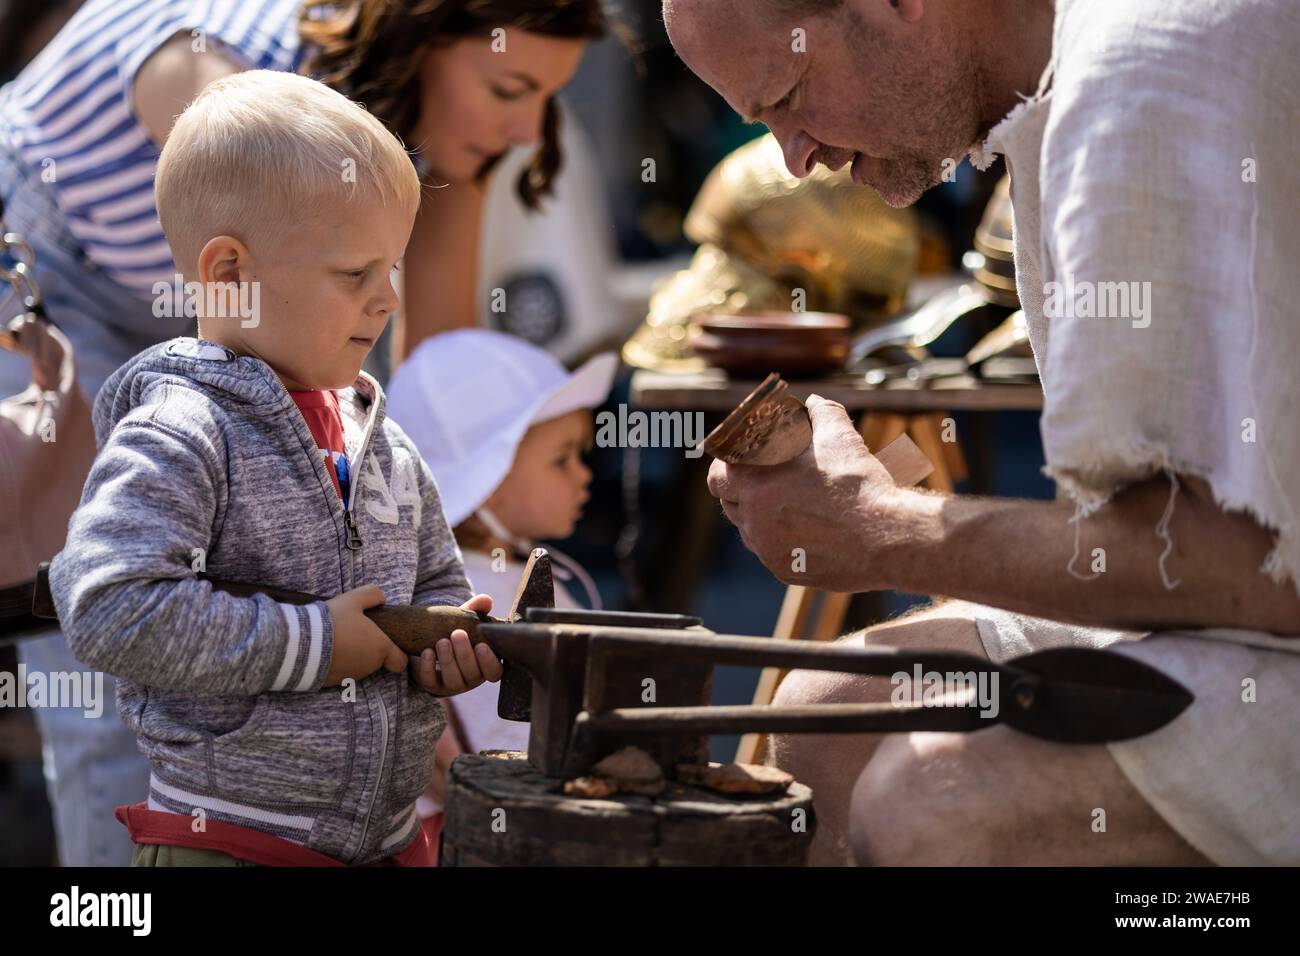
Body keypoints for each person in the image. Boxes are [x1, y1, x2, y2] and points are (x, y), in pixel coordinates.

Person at [664, 0, 1300, 865]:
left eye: (789, 92)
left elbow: (1256, 571)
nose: (796, 157)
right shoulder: (1054, 88)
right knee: (830, 707)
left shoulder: (1135, 85)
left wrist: (884, 530)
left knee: (936, 805)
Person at [0, 0, 609, 865]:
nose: (528, 127)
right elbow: (123, 612)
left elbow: (429, 386)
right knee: (110, 690)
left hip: (248, 302)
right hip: (56, 274)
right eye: (510, 85)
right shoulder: (232, 97)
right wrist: (318, 644)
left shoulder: (390, 191)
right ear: (419, 44)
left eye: (548, 98)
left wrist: (431, 613)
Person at [47, 70, 501, 866]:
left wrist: (444, 641)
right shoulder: (183, 431)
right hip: (229, 844)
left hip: (387, 839)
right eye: (354, 274)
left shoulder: (380, 439)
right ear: (229, 275)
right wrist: (317, 643)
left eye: (391, 269)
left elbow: (432, 583)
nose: (386, 299)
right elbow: (109, 607)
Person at [385, 329, 618, 838]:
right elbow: (516, 753)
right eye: (563, 458)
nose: (584, 476)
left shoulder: (504, 570)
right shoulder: (482, 590)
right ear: (487, 473)